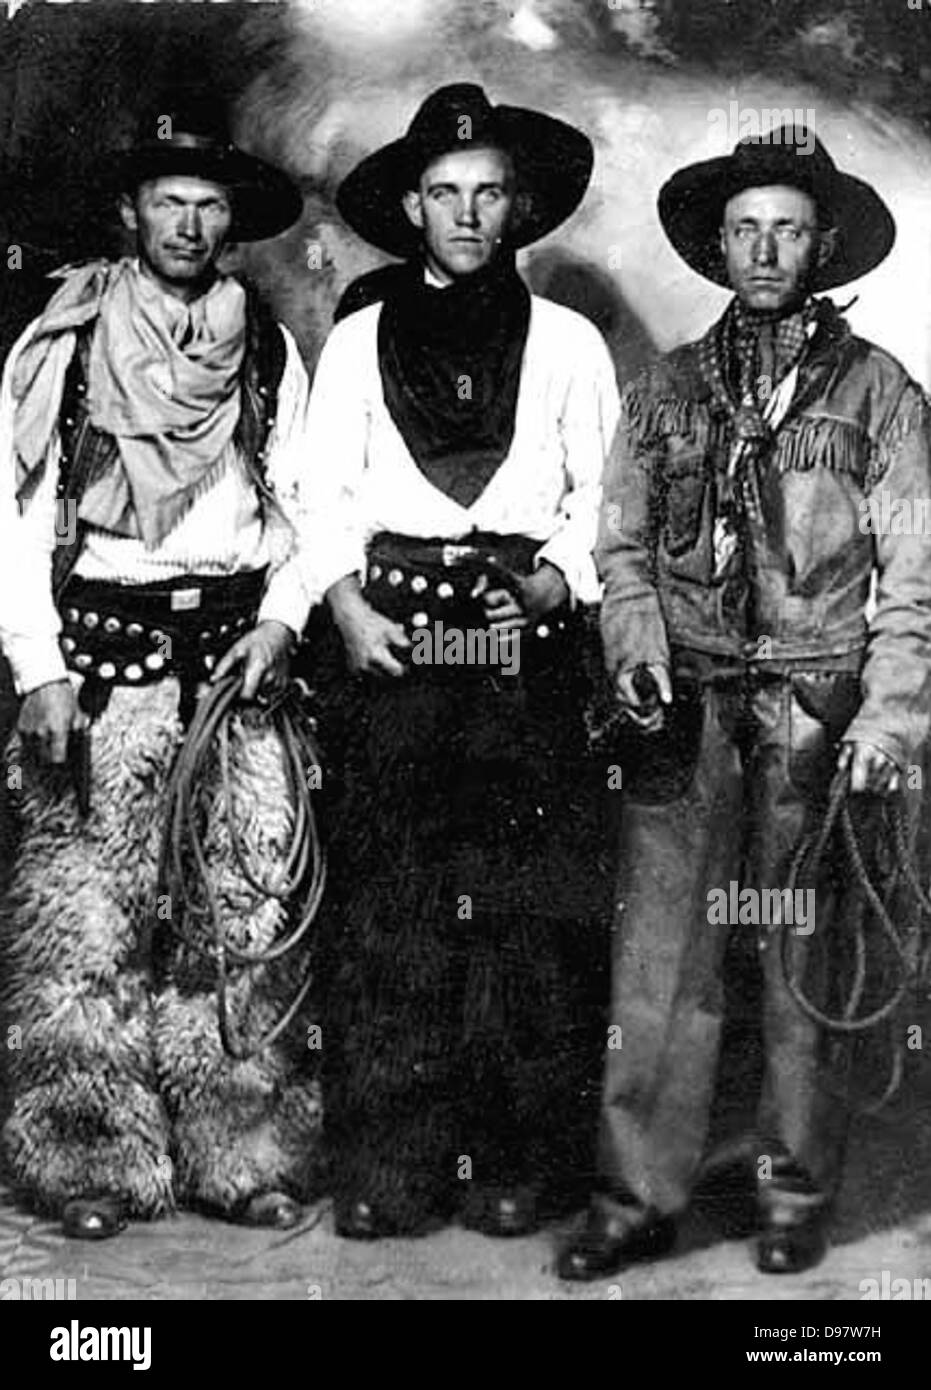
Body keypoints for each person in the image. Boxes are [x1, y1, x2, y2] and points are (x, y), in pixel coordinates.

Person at [559, 127, 931, 1280]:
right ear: (715, 248)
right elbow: (617, 548)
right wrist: (632, 644)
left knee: (797, 963)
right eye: (745, 229)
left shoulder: (879, 394)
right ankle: (636, 1194)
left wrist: (886, 719)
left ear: (822, 244)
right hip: (687, 706)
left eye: (788, 228)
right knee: (657, 961)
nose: (766, 248)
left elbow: (916, 576)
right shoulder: (666, 387)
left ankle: (790, 1190)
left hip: (814, 714)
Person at [303, 83, 620, 1239]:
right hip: (391, 652)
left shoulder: (572, 345)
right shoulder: (351, 345)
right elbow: (318, 500)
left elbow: (603, 505)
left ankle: (515, 1164)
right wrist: (342, 604)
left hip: (517, 657)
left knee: (524, 918)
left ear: (520, 208)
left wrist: (554, 578)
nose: (468, 214)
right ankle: (392, 1166)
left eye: (489, 194)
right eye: (445, 193)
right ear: (412, 206)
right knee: (393, 909)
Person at [0, 108, 323, 1238]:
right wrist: (39, 671)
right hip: (102, 664)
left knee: (241, 912)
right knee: (85, 927)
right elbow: (13, 515)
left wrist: (282, 624)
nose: (189, 223)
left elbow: (309, 513)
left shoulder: (270, 347)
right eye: (167, 202)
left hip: (237, 667)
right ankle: (85, 1155)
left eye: (210, 204)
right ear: (129, 213)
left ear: (233, 220)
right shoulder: (65, 345)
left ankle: (244, 1150)